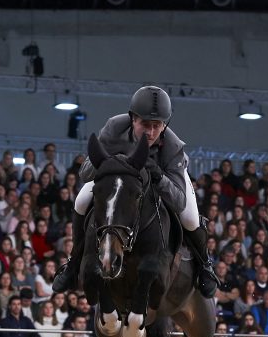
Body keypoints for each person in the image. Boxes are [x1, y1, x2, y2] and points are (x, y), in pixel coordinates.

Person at [50, 85, 217, 298]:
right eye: (145, 124)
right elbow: (85, 173)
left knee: (191, 218)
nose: (150, 132)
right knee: (81, 201)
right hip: (118, 181)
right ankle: (73, 263)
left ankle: (205, 265)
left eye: (157, 126)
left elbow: (178, 201)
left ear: (164, 125)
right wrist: (107, 160)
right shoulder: (113, 128)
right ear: (132, 119)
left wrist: (158, 175)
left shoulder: (172, 147)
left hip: (162, 179)